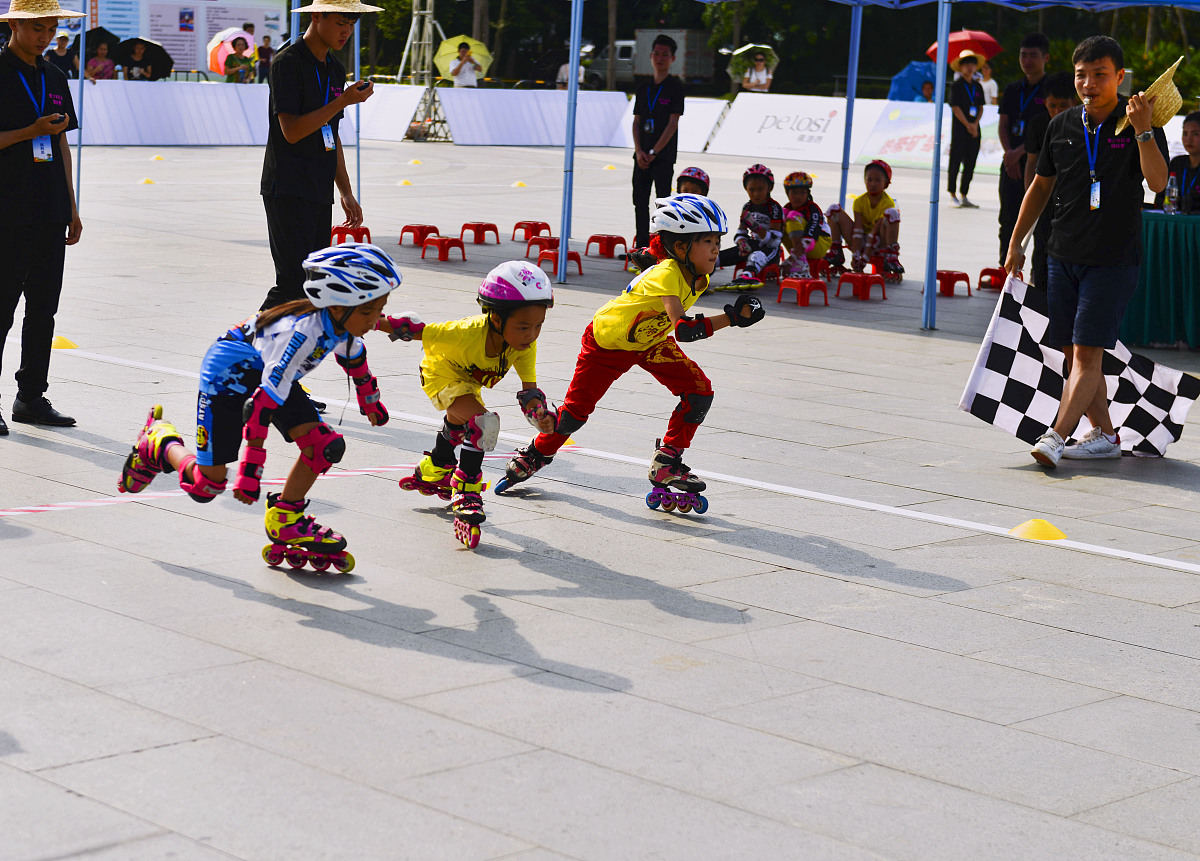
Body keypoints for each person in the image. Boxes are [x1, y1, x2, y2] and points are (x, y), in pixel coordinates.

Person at [118, 243, 400, 572]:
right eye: (368, 313)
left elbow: (353, 355)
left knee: (325, 446)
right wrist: (251, 469)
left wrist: (370, 398)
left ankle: (287, 517)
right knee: (207, 486)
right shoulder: (300, 336)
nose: (374, 320)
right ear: (337, 307)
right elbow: (261, 407)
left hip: (265, 372)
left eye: (379, 309)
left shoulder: (340, 324)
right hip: (229, 373)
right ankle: (159, 442)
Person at [497, 195, 764, 504]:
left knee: (699, 392)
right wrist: (733, 317)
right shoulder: (668, 274)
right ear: (681, 248)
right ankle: (535, 453)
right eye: (708, 241)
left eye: (718, 240)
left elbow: (661, 260)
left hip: (650, 342)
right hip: (606, 344)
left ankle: (667, 462)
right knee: (573, 416)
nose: (716, 249)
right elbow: (686, 330)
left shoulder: (696, 273)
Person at [1005, 36, 1168, 467]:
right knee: (1072, 353)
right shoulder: (1061, 125)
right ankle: (1107, 436)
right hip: (1060, 256)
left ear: (1120, 77)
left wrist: (1144, 130)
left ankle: (1056, 436)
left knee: (1089, 351)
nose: (1090, 84)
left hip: (1112, 259)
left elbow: (1158, 183)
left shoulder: (1140, 123)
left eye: (1100, 75)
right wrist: (1016, 242)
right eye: (1083, 75)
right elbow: (1040, 188)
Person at [385, 261, 556, 547]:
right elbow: (417, 331)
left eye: (538, 326)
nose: (531, 335)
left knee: (460, 425)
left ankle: (435, 468)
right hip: (440, 373)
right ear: (496, 319)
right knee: (483, 423)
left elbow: (529, 392)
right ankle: (466, 491)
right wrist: (363, 320)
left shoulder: (523, 345)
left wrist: (539, 414)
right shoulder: (465, 331)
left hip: (467, 381)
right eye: (523, 326)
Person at [259, 0, 378, 312]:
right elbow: (292, 131)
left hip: (319, 187)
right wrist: (344, 101)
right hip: (287, 187)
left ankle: (285, 350)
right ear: (316, 16)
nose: (346, 32)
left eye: (351, 25)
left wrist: (347, 191)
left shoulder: (335, 68)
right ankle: (242, 345)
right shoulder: (287, 63)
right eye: (340, 23)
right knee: (292, 283)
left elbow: (331, 133)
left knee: (314, 281)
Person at [0, 0, 85, 434]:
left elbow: (63, 144)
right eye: (37, 27)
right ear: (14, 24)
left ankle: (31, 395)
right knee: (2, 308)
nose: (45, 36)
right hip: (8, 209)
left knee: (43, 309)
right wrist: (29, 132)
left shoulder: (54, 75)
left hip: (49, 209)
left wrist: (71, 205)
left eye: (51, 28)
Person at [629, 34, 684, 262]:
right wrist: (640, 151)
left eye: (665, 54)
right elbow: (636, 122)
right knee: (639, 201)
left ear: (672, 58)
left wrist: (653, 152)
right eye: (656, 54)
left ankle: (662, 248)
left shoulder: (675, 86)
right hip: (641, 156)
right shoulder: (644, 88)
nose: (660, 58)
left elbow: (673, 123)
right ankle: (642, 247)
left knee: (663, 202)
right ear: (651, 56)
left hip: (662, 157)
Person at [998, 32, 1049, 265]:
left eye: (1033, 55)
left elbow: (1049, 128)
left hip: (1039, 162)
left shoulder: (1050, 89)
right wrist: (1009, 155)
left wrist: (1019, 153)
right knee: (1008, 218)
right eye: (1023, 55)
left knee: (1040, 222)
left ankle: (1038, 274)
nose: (1027, 60)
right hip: (1011, 164)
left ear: (1045, 58)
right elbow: (1003, 124)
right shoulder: (1012, 89)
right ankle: (1005, 268)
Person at [1022, 72, 1077, 289]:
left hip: (1073, 200)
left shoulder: (1084, 124)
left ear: (1074, 102)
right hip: (1044, 198)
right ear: (1044, 102)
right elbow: (1031, 162)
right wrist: (1030, 199)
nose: (1056, 112)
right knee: (1041, 246)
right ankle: (1039, 292)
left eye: (1063, 106)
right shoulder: (1038, 124)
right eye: (1052, 105)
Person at [825, 159, 903, 280]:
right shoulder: (859, 201)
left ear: (886, 183)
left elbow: (874, 233)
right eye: (869, 180)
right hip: (860, 240)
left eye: (878, 180)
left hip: (878, 242)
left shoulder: (887, 203)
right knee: (833, 210)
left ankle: (890, 256)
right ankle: (836, 253)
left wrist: (865, 258)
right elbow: (858, 229)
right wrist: (855, 255)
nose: (872, 184)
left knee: (892, 214)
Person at [716, 163, 784, 291]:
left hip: (769, 250)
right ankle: (700, 273)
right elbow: (741, 232)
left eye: (760, 189)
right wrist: (742, 242)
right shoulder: (747, 207)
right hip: (752, 245)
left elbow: (774, 241)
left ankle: (747, 275)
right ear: (746, 189)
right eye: (751, 189)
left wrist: (755, 227)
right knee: (719, 257)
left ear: (769, 188)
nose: (756, 194)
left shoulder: (774, 208)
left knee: (756, 255)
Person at [948, 51, 986, 208]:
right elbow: (955, 107)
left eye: (972, 64)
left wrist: (975, 124)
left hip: (974, 130)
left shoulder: (977, 86)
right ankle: (952, 193)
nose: (970, 68)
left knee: (970, 163)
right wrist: (967, 125)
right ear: (960, 67)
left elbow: (981, 107)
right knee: (956, 161)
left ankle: (964, 194)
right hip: (960, 130)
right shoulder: (956, 86)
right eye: (966, 65)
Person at [780, 171, 831, 279]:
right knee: (781, 220)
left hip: (818, 243)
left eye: (802, 192)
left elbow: (811, 235)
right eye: (794, 192)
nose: (798, 196)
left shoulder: (813, 208)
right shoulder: (786, 208)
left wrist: (792, 258)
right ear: (787, 193)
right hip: (800, 247)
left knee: (793, 216)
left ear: (808, 193)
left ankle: (800, 264)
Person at [1161, 111, 1200, 215]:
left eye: (1195, 134)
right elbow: (1161, 197)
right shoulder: (1177, 163)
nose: (1188, 139)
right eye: (1185, 133)